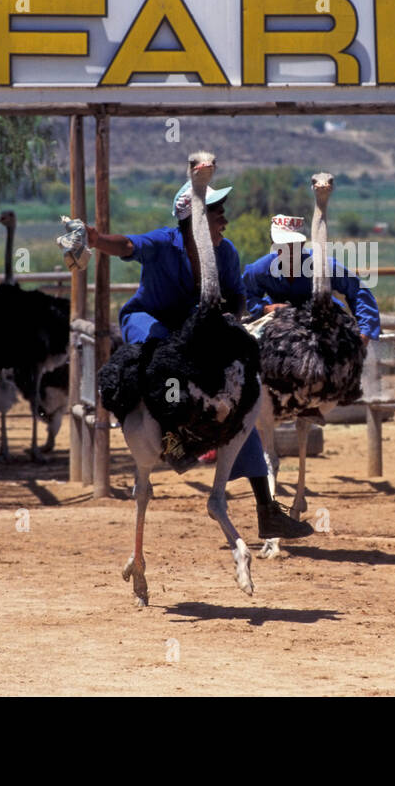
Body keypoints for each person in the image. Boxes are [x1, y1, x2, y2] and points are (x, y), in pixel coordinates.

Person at [84, 179, 314, 541]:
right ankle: (169, 437)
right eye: (217, 213)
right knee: (163, 358)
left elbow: (238, 297)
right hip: (152, 320)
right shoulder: (164, 242)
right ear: (197, 221)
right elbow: (129, 245)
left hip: (195, 324)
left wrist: (226, 320)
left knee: (241, 401)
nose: (224, 220)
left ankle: (266, 509)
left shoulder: (225, 253)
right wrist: (96, 240)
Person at [242, 214, 381, 344]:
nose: (289, 250)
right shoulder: (259, 270)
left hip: (322, 317)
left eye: (294, 244)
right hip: (278, 320)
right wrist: (265, 308)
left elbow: (357, 291)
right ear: (273, 244)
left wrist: (365, 332)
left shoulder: (324, 265)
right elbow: (245, 294)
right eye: (282, 245)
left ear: (302, 244)